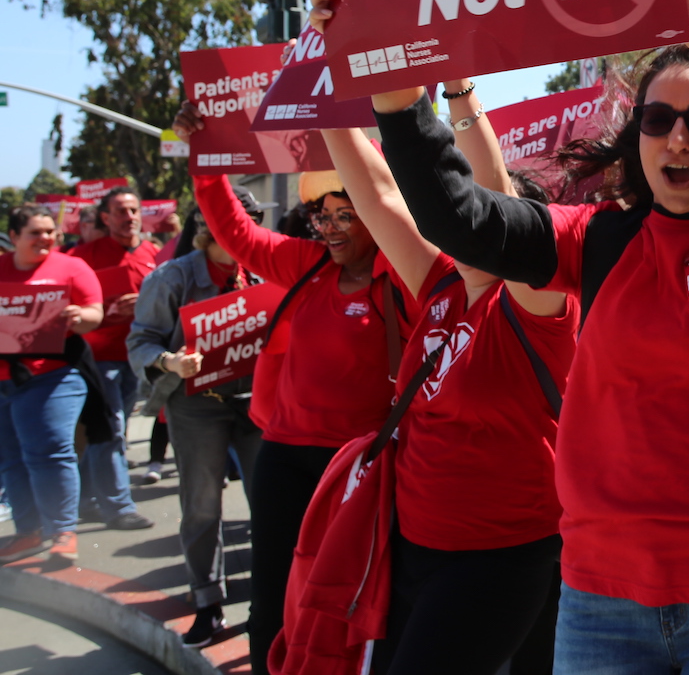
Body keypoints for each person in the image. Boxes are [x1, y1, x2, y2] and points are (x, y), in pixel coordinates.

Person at [313, 0, 689, 674]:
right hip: (601, 601)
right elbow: (463, 219)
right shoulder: (591, 240)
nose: (677, 136)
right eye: (658, 118)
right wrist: (395, 91)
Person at [298, 97, 576, 675]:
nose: (462, 223)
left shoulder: (537, 309)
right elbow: (375, 193)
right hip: (409, 543)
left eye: (478, 213)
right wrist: (328, 83)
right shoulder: (441, 283)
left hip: (499, 558)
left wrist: (459, 89)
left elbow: (497, 200)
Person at [162, 114, 420, 675]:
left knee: (355, 593)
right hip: (282, 456)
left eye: (344, 215)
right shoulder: (306, 267)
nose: (328, 228)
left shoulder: (405, 277)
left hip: (358, 467)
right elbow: (237, 232)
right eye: (319, 216)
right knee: (274, 593)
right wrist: (204, 162)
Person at [127, 191, 266, 648]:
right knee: (203, 506)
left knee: (269, 502)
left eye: (248, 223)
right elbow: (140, 342)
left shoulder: (264, 269)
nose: (242, 233)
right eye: (230, 223)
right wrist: (170, 361)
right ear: (207, 229)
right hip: (197, 404)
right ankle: (207, 604)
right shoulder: (171, 278)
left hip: (256, 402)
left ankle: (269, 603)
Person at [0, 205, 104, 564]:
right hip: (4, 380)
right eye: (35, 233)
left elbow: (95, 312)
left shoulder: (72, 267)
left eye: (50, 232)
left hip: (54, 375)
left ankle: (62, 532)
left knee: (49, 450)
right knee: (11, 459)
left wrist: (80, 316)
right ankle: (27, 532)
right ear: (14, 237)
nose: (45, 238)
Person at [68, 187, 155, 531]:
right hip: (98, 359)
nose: (129, 217)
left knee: (108, 430)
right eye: (121, 211)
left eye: (133, 210)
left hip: (137, 359)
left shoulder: (154, 253)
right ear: (106, 218)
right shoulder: (83, 256)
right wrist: (105, 310)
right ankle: (119, 507)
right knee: (113, 428)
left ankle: (86, 499)